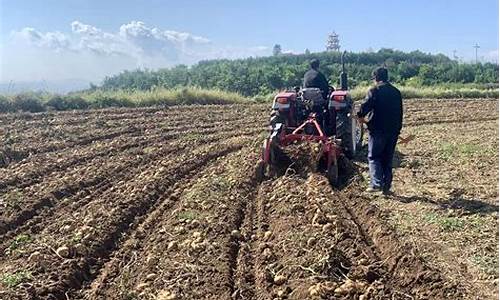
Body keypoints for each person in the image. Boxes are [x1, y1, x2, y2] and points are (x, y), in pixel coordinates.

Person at [356, 67, 403, 195]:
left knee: (374, 157)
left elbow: (365, 106)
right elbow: (400, 113)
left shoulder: (374, 90)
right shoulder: (396, 92)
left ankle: (376, 184)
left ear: (376, 78)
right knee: (387, 159)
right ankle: (386, 187)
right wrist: (398, 130)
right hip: (393, 131)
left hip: (377, 130)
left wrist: (360, 116)